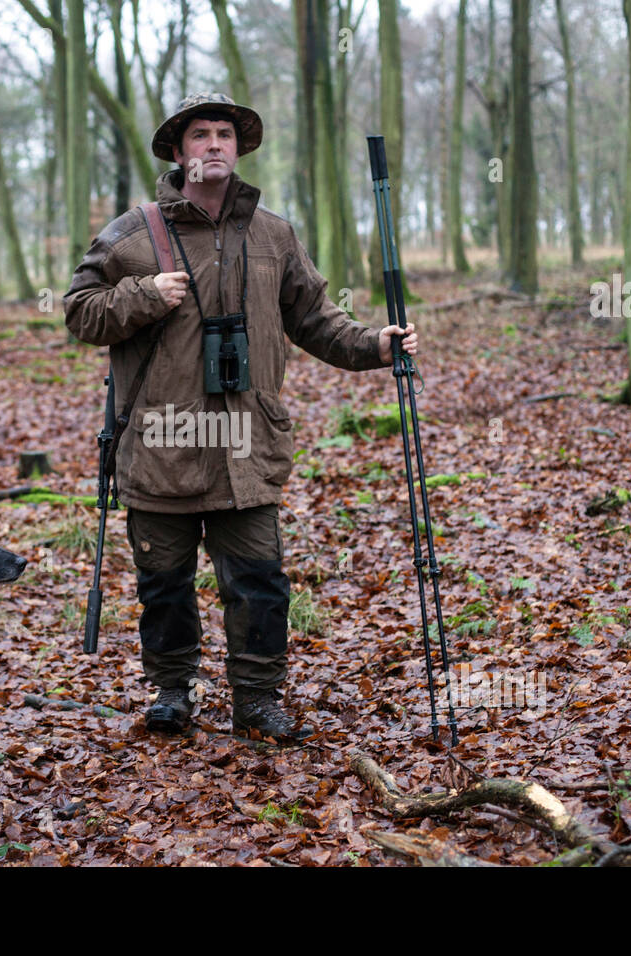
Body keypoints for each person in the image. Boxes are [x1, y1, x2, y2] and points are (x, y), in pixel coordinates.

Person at [63, 92, 417, 740]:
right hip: (161, 445)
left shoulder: (272, 232)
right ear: (179, 151)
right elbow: (79, 312)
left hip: (245, 447)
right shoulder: (131, 232)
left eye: (224, 133)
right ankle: (174, 690)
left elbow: (314, 317)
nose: (214, 144)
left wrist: (375, 345)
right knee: (163, 585)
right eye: (201, 134)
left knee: (259, 582)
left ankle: (256, 697)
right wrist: (143, 295)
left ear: (239, 146)